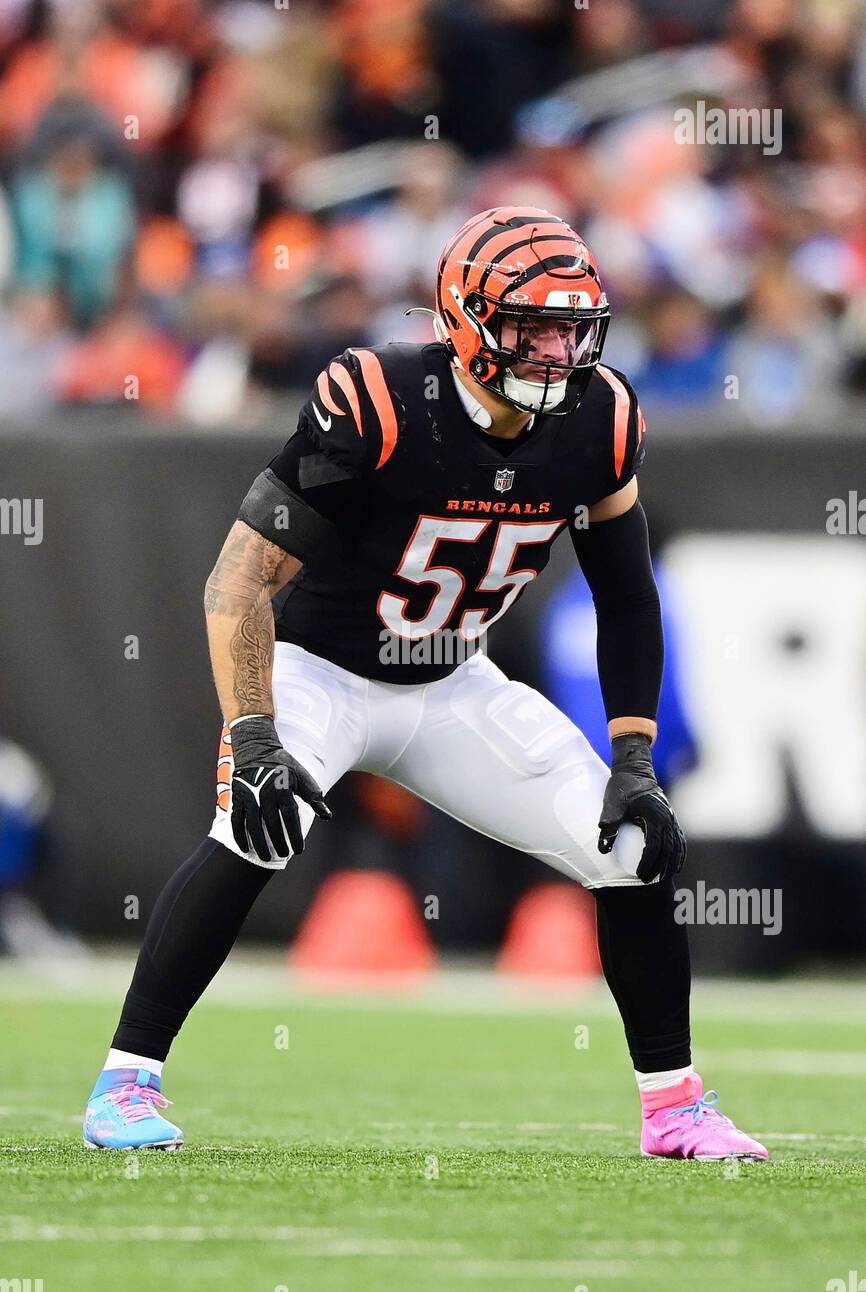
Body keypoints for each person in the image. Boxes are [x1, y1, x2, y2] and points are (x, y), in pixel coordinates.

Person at [83, 206, 767, 1162]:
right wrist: (256, 735)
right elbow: (238, 580)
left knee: (629, 846)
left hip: (451, 683)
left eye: (574, 327)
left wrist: (636, 757)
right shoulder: (378, 399)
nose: (560, 349)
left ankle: (675, 1107)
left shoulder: (603, 419)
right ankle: (126, 1080)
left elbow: (629, 598)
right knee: (253, 828)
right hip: (319, 669)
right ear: (468, 320)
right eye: (535, 326)